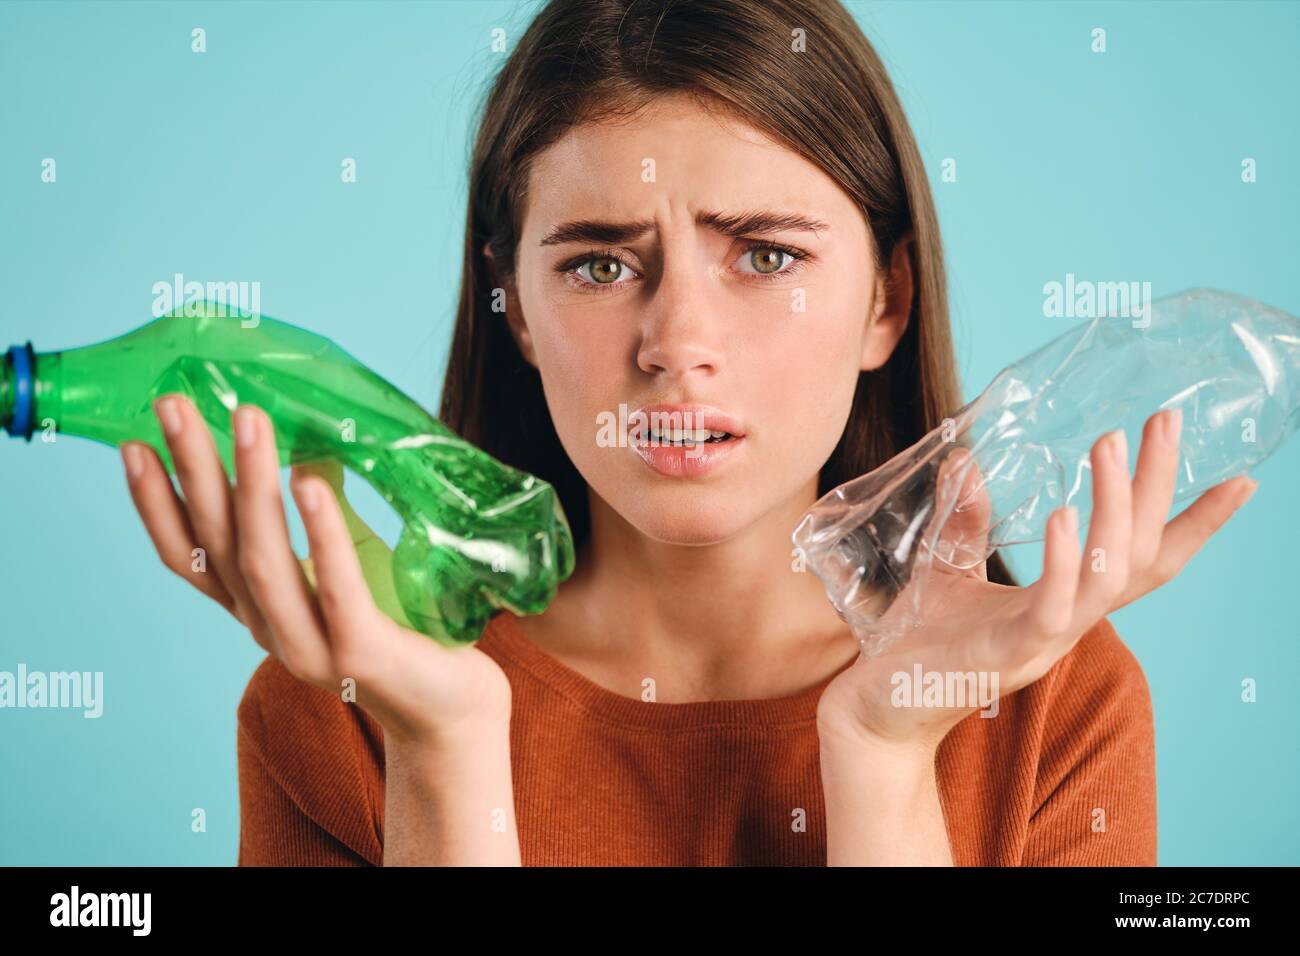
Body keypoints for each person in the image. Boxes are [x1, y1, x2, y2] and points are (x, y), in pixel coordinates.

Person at [120, 0, 1257, 866]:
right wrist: (444, 749)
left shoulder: (1060, 700)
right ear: (510, 305)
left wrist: (884, 750)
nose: (675, 340)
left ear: (885, 300)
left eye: (765, 254)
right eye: (600, 264)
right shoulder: (343, 700)